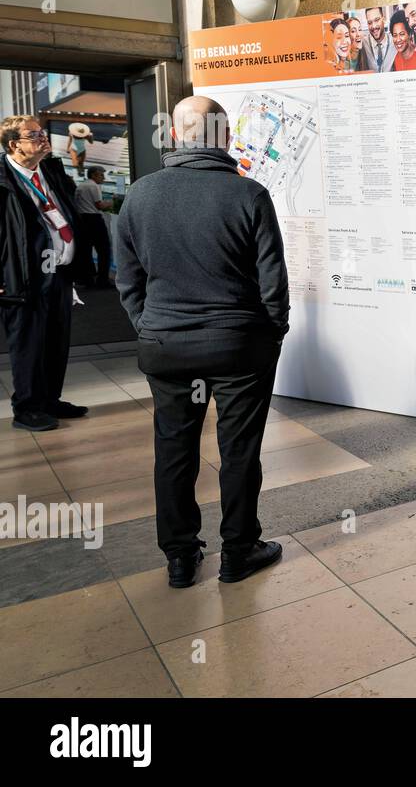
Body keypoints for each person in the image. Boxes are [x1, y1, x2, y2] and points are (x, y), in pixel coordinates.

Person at [115, 95, 289, 588]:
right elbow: (273, 280)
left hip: (166, 345)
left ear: (174, 134)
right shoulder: (248, 195)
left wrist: (149, 326)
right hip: (239, 346)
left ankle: (179, 556)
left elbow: (127, 280)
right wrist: (272, 332)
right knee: (239, 450)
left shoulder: (139, 195)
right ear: (225, 136)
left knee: (173, 450)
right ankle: (238, 551)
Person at [0, 115, 85, 432]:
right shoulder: (3, 180)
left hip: (59, 272)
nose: (43, 137)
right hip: (22, 276)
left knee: (55, 341)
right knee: (29, 344)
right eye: (33, 134)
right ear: (14, 144)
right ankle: (26, 408)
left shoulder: (51, 170)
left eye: (42, 132)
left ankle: (49, 399)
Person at [73, 166, 113, 288]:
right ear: (94, 175)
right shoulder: (93, 186)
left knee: (86, 250)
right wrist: (112, 202)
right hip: (94, 220)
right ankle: (102, 280)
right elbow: (99, 205)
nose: (103, 178)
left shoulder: (81, 186)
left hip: (82, 220)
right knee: (104, 250)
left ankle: (87, 279)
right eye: (101, 175)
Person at [363, 6, 396, 72]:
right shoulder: (363, 43)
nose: (373, 26)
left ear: (383, 19)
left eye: (377, 20)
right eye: (369, 23)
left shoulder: (395, 41)